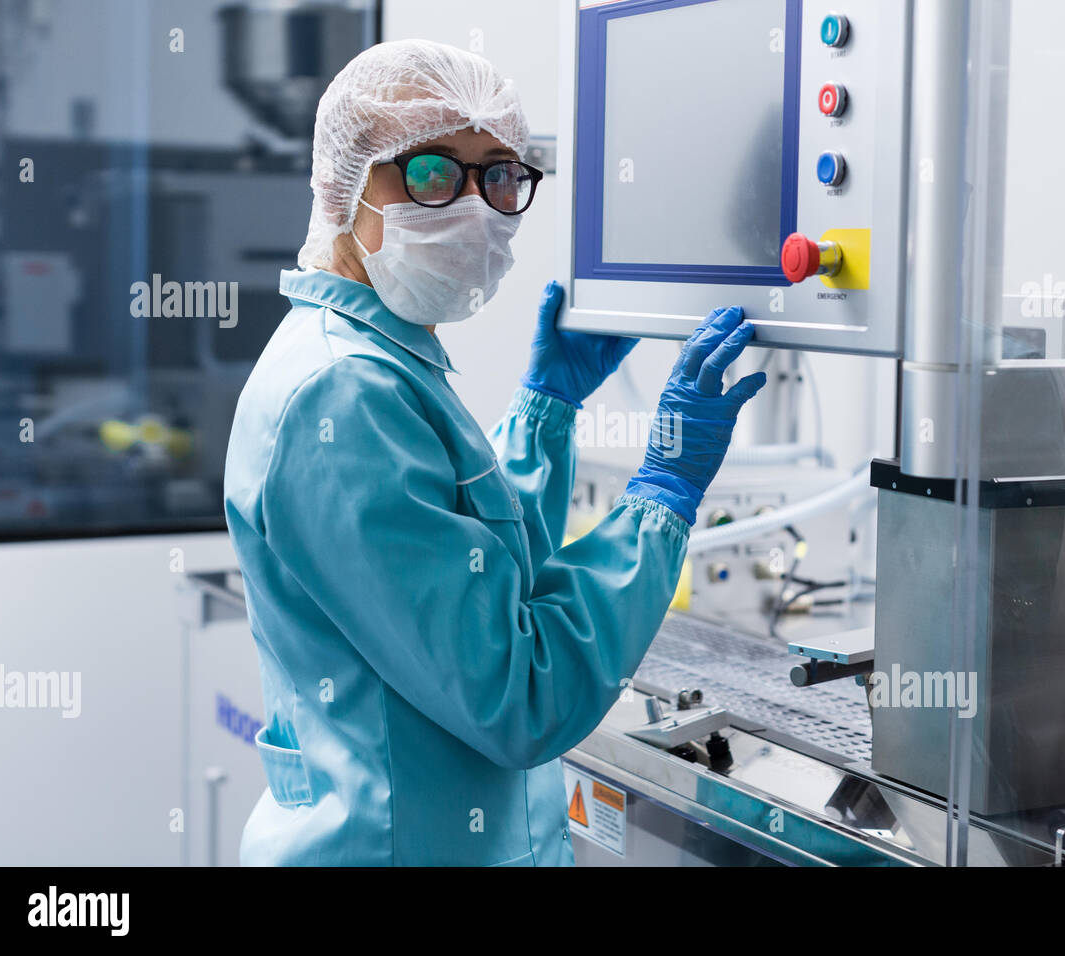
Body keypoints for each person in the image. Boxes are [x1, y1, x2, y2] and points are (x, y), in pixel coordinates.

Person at [223, 38, 765, 866]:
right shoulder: (341, 394)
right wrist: (661, 495)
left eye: (501, 175)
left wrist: (547, 411)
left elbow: (480, 571)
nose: (476, 207)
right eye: (434, 173)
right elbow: (518, 696)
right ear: (343, 185)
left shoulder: (375, 361)